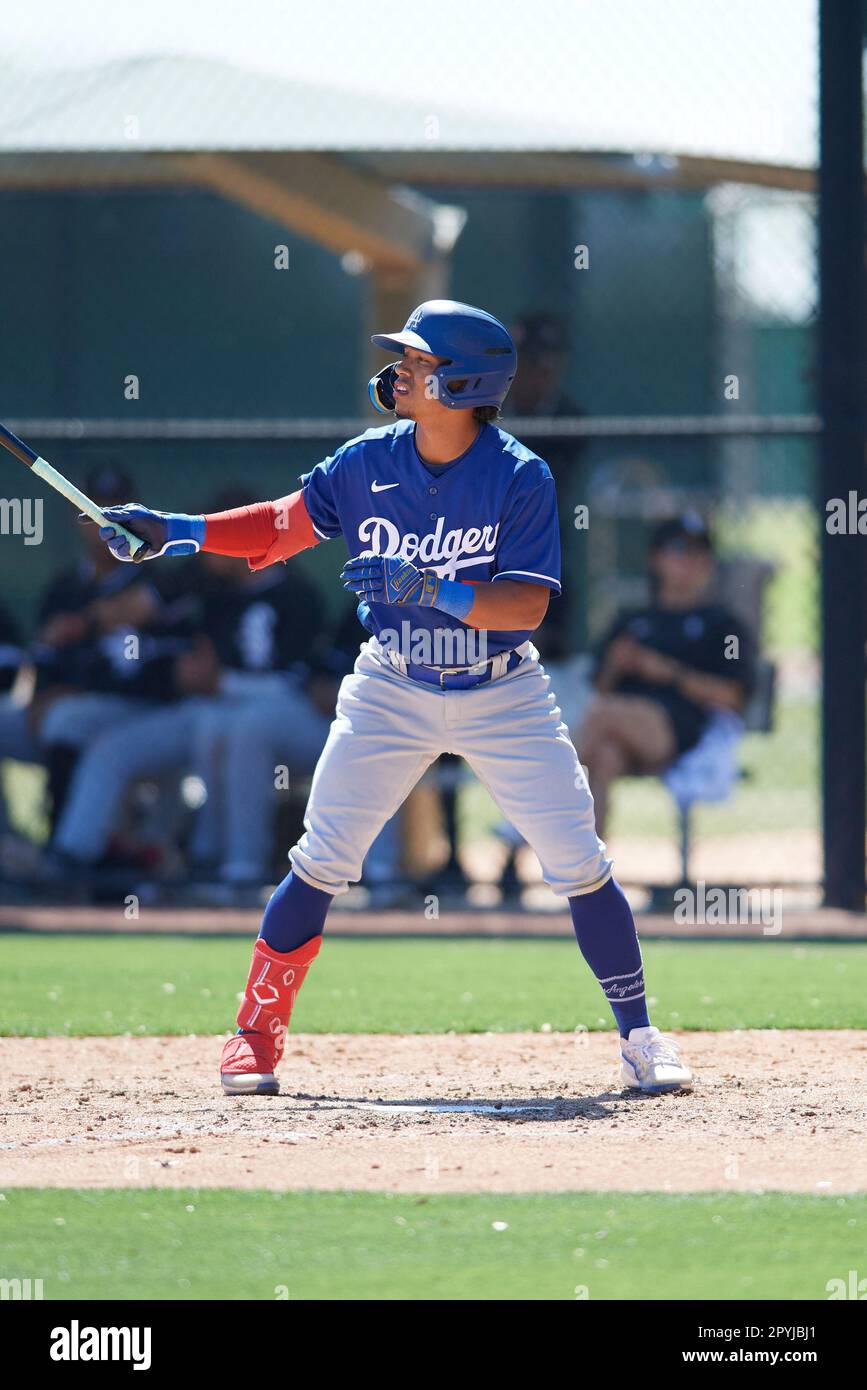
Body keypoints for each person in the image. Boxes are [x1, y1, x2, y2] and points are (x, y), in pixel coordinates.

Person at [95, 299, 693, 1099]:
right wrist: (174, 528)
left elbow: (523, 608)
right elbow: (280, 526)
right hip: (392, 683)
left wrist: (428, 586)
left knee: (579, 863)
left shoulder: (519, 474)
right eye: (405, 357)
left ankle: (640, 1038)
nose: (401, 369)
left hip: (499, 687)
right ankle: (253, 1038)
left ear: (463, 382)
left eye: (419, 360)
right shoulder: (366, 460)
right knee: (321, 861)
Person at [576, 514, 757, 836]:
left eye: (702, 552)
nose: (693, 561)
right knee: (603, 757)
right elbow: (599, 687)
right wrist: (618, 664)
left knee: (603, 716)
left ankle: (525, 809)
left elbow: (733, 697)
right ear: (656, 558)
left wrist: (668, 673)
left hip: (684, 731)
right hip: (622, 730)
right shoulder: (633, 620)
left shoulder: (722, 624)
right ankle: (587, 877)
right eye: (680, 550)